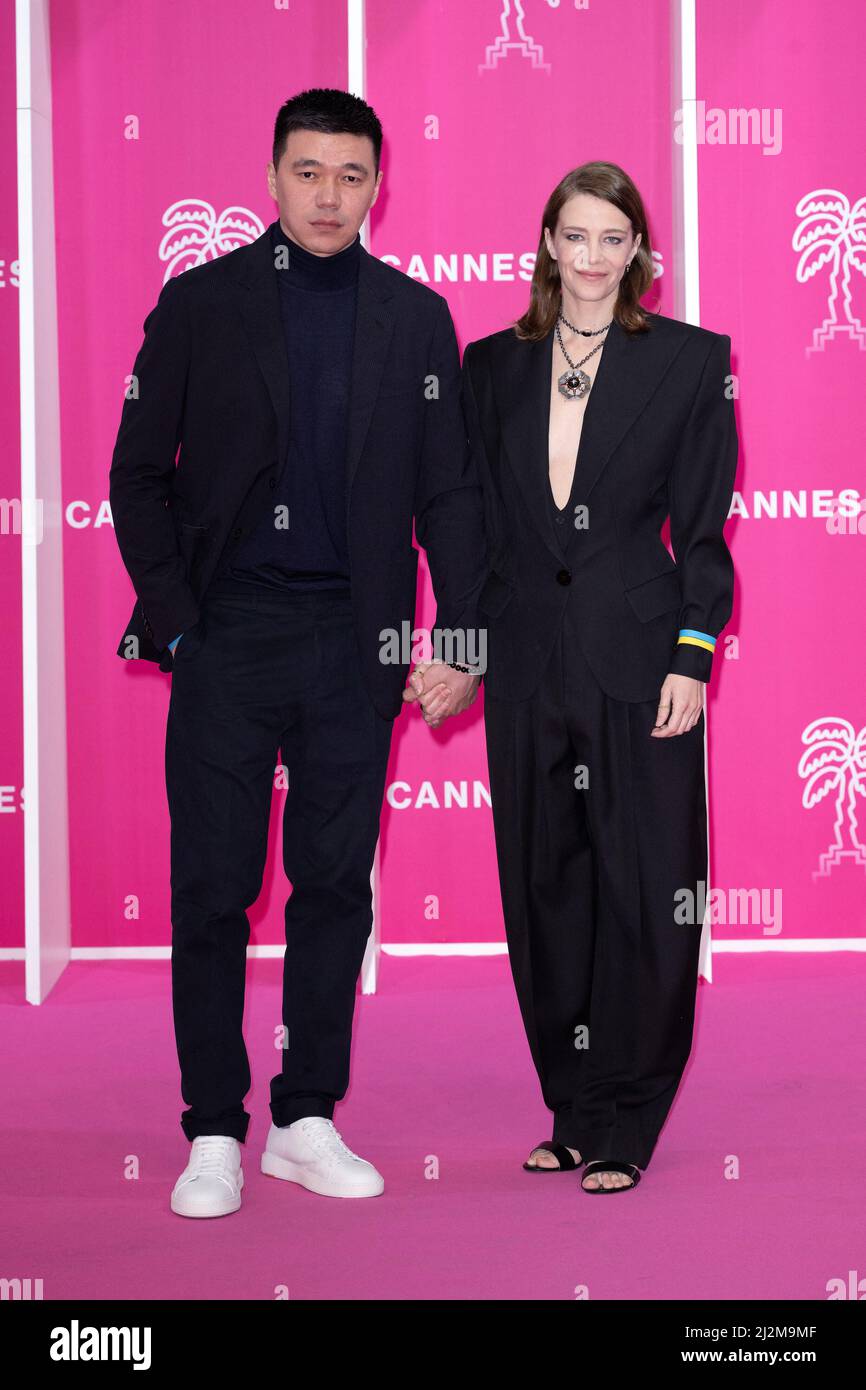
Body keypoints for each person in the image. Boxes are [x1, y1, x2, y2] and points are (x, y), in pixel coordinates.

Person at [109, 88, 485, 1217]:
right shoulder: (201, 303)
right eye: (309, 172)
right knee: (212, 890)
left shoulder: (416, 321)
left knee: (333, 888)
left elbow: (451, 498)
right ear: (270, 177)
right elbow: (138, 473)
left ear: (379, 185)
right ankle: (213, 1126)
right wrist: (178, 622)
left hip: (354, 642)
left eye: (351, 175)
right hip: (226, 636)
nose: (329, 195)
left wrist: (457, 639)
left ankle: (304, 1114)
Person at [409, 161, 738, 1193]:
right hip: (524, 659)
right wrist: (459, 647)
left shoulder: (688, 363)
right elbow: (467, 525)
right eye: (575, 235)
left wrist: (692, 652)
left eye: (613, 238)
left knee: (645, 889)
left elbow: (702, 527)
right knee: (544, 886)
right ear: (546, 244)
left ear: (636, 251)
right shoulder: (489, 366)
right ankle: (572, 1103)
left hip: (638, 660)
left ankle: (628, 1119)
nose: (593, 257)